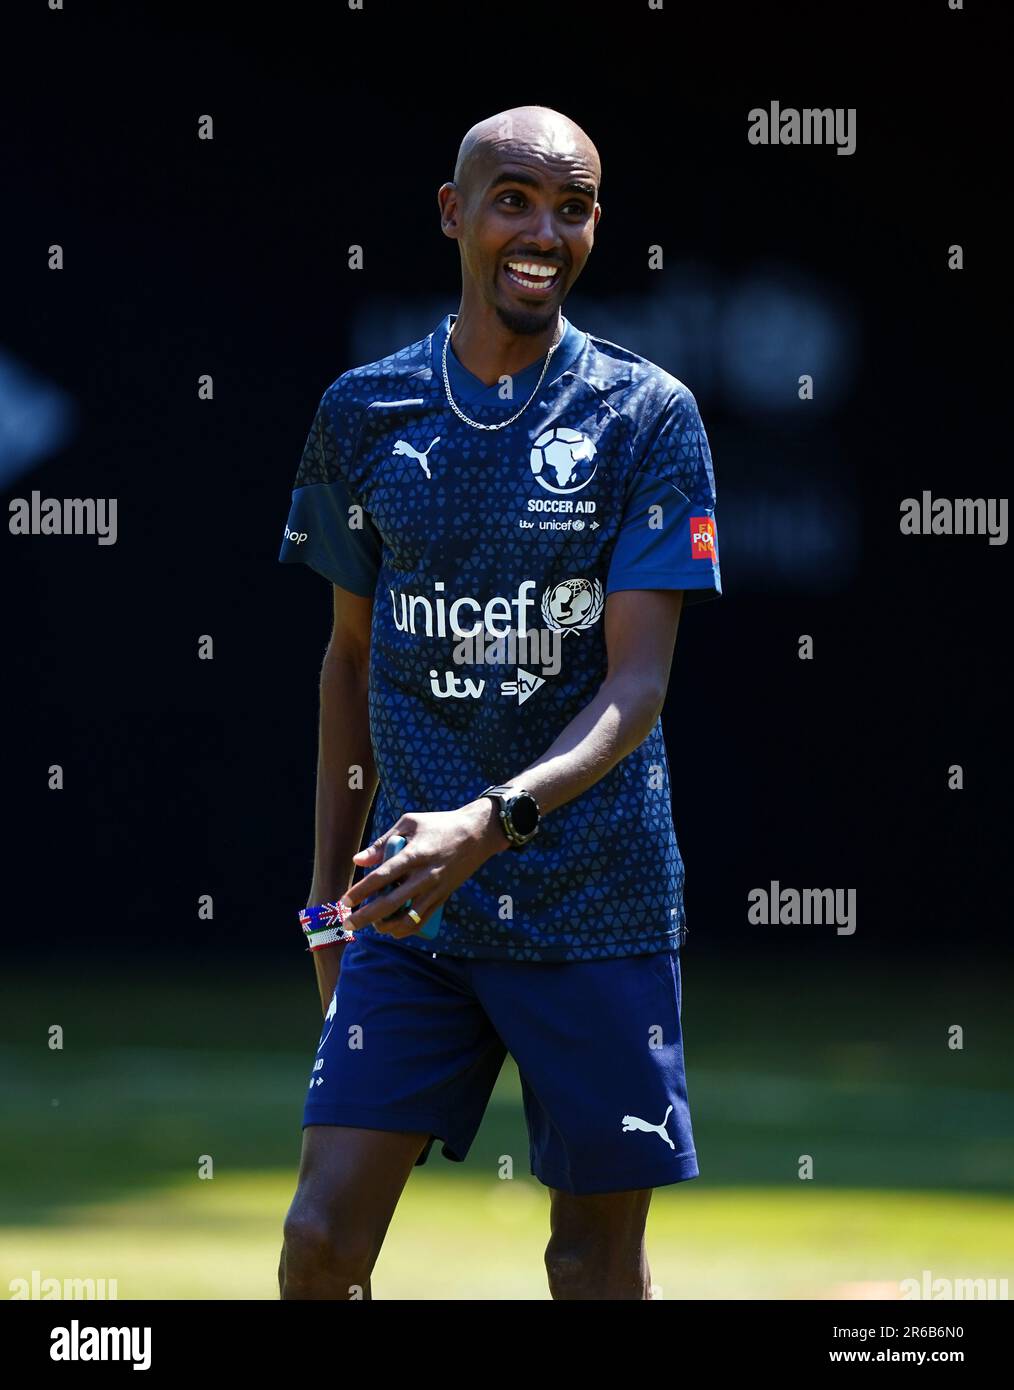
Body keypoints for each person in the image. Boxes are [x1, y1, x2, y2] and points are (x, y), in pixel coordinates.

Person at [276, 104, 721, 1301]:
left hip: (596, 904)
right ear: (453, 214)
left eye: (571, 207)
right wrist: (330, 899)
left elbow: (637, 687)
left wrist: (492, 820)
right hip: (415, 909)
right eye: (514, 198)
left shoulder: (648, 415)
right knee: (319, 1245)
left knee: (590, 1261)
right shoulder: (362, 410)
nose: (543, 230)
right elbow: (349, 662)